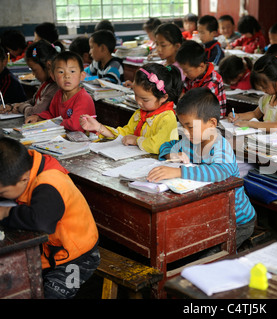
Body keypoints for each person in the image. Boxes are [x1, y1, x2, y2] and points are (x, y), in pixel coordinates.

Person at [147, 87, 256, 249]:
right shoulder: (189, 141)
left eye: (190, 127)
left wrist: (178, 171)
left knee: (207, 254)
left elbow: (219, 171)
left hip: (237, 220)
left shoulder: (220, 146)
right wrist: (172, 156)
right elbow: (166, 146)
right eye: (182, 126)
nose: (185, 132)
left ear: (212, 123)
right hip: (209, 215)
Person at [0, 137, 100, 299]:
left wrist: (6, 213)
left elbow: (40, 221)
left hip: (76, 258)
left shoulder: (49, 183)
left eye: (2, 193)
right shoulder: (20, 169)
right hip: (47, 252)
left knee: (49, 296)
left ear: (24, 178)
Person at [80, 63, 182, 154]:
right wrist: (99, 127)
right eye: (136, 95)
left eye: (145, 100)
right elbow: (125, 134)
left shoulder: (167, 117)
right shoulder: (141, 113)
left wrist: (136, 140)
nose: (138, 102)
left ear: (163, 98)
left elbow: (158, 146)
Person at [228, 54, 277, 135]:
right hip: (266, 140)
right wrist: (238, 116)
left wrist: (250, 124)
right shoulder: (267, 98)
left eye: (264, 87)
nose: (263, 90)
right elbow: (255, 114)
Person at [25, 51, 95, 132]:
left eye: (72, 71)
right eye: (61, 72)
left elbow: (75, 125)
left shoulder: (83, 98)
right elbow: (51, 114)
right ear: (53, 76)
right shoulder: (58, 95)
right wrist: (38, 117)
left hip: (85, 141)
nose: (67, 76)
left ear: (82, 76)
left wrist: (49, 122)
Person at [0, 40, 58, 117]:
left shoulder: (54, 87)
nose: (33, 74)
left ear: (48, 65)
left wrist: (21, 107)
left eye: (34, 70)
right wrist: (12, 106)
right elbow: (34, 101)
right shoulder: (45, 83)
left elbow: (34, 112)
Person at [175, 40, 226, 118]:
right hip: (193, 113)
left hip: (210, 120)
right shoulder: (192, 76)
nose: (184, 74)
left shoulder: (212, 82)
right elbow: (184, 92)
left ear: (201, 66)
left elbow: (201, 108)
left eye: (186, 71)